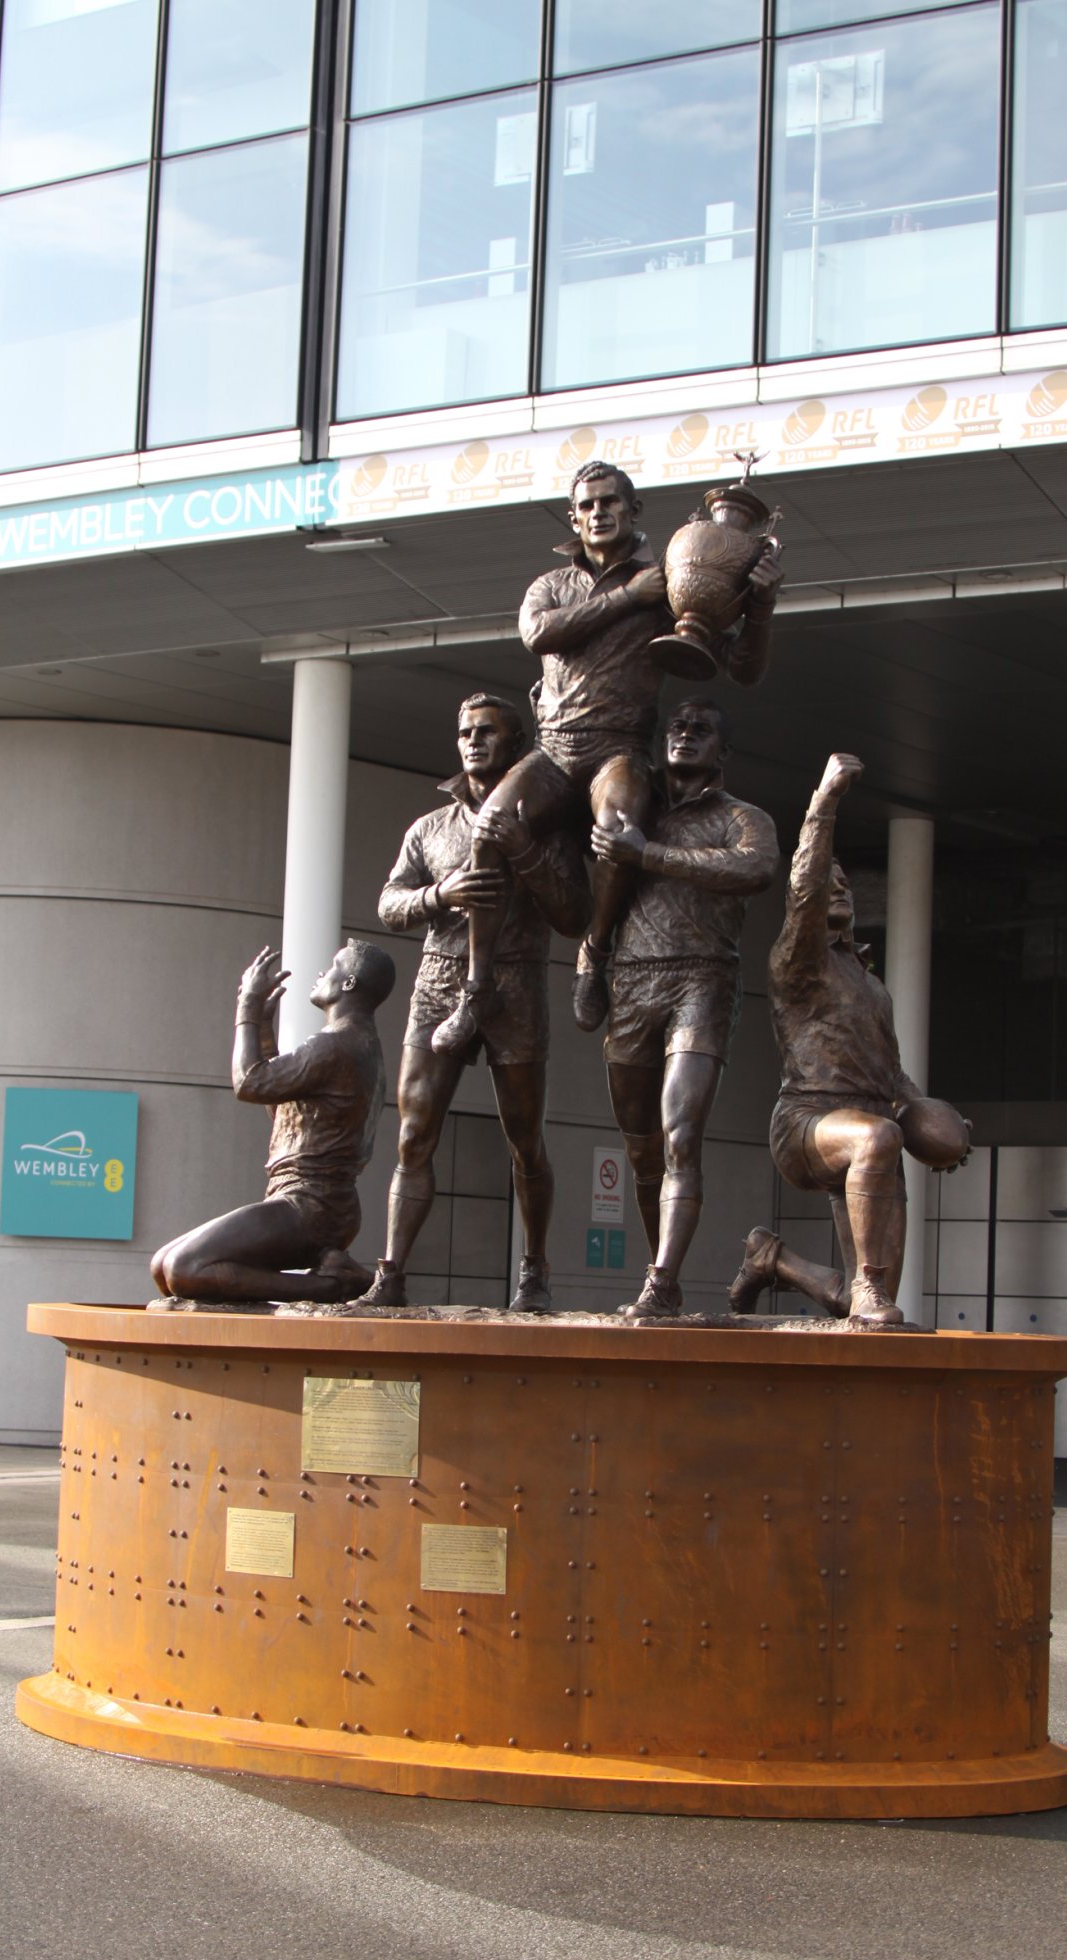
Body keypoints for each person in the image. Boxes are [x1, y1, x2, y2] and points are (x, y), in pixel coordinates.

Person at [429, 460, 782, 1056]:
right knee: (488, 826)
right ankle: (478, 985)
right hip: (554, 751)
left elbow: (743, 670)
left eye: (610, 502)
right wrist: (626, 599)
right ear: (573, 518)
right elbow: (539, 634)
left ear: (633, 509)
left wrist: (762, 608)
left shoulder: (670, 578)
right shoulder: (552, 586)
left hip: (618, 749)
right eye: (587, 505)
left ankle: (594, 949)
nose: (599, 513)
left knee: (618, 827)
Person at [358, 692, 591, 1313]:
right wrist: (440, 893)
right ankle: (392, 1273)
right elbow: (389, 904)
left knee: (524, 1138)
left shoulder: (546, 821)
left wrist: (525, 850)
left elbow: (574, 912)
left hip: (516, 986)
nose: (472, 741)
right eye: (464, 732)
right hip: (438, 982)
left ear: (515, 745)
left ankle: (535, 1270)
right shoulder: (430, 829)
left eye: (487, 732)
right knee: (413, 1133)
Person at [729, 752, 971, 1326]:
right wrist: (826, 801)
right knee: (877, 1150)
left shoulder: (869, 982)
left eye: (846, 886)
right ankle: (865, 1282)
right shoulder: (797, 961)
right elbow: (809, 885)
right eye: (825, 884)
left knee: (873, 1313)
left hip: (872, 1123)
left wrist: (934, 1120)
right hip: (807, 1124)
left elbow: (892, 1071)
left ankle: (774, 1259)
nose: (835, 890)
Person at [591, 698, 778, 1319]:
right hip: (632, 983)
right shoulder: (629, 810)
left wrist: (648, 854)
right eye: (677, 727)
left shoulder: (742, 818)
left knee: (680, 1134)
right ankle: (659, 1273)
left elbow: (755, 868)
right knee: (639, 1143)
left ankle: (663, 1278)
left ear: (723, 751)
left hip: (703, 980)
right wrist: (590, 959)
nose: (687, 735)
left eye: (703, 729)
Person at [150, 939, 394, 1304]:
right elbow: (283, 1111)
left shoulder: (336, 1045)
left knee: (186, 1268)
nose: (322, 973)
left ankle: (334, 1286)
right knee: (161, 1265)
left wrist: (246, 1009)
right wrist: (264, 1026)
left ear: (348, 984)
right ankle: (334, 1278)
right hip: (315, 1203)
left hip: (313, 1205)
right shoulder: (356, 1045)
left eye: (333, 967)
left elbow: (250, 1082)